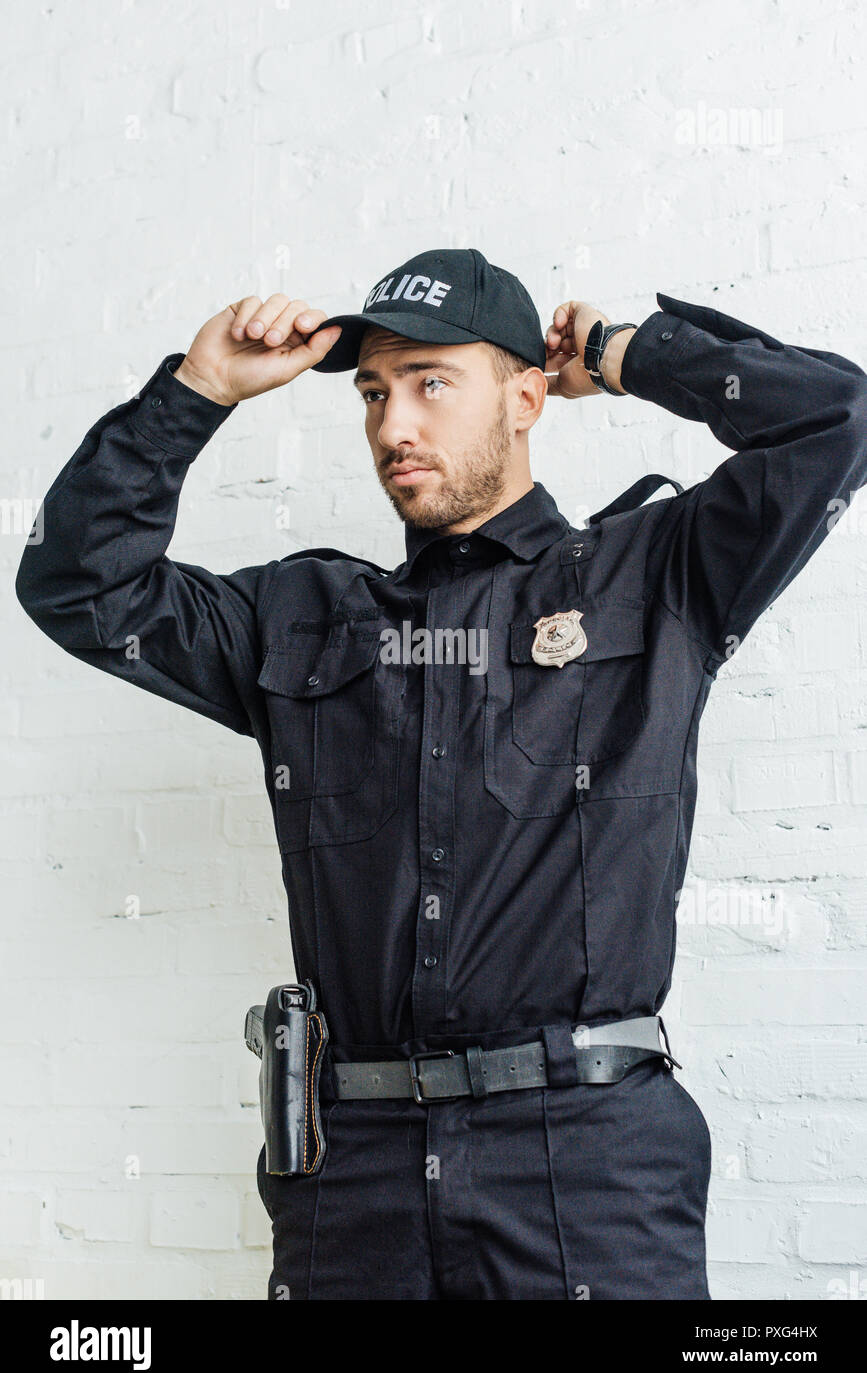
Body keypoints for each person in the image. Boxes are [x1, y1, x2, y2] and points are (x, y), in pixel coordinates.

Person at [16, 247, 867, 1300]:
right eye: (374, 391)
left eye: (430, 383)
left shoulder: (656, 575)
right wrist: (197, 392)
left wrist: (627, 353)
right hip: (353, 1167)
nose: (391, 425)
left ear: (524, 397)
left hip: (587, 1161)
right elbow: (78, 587)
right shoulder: (300, 616)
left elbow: (837, 422)